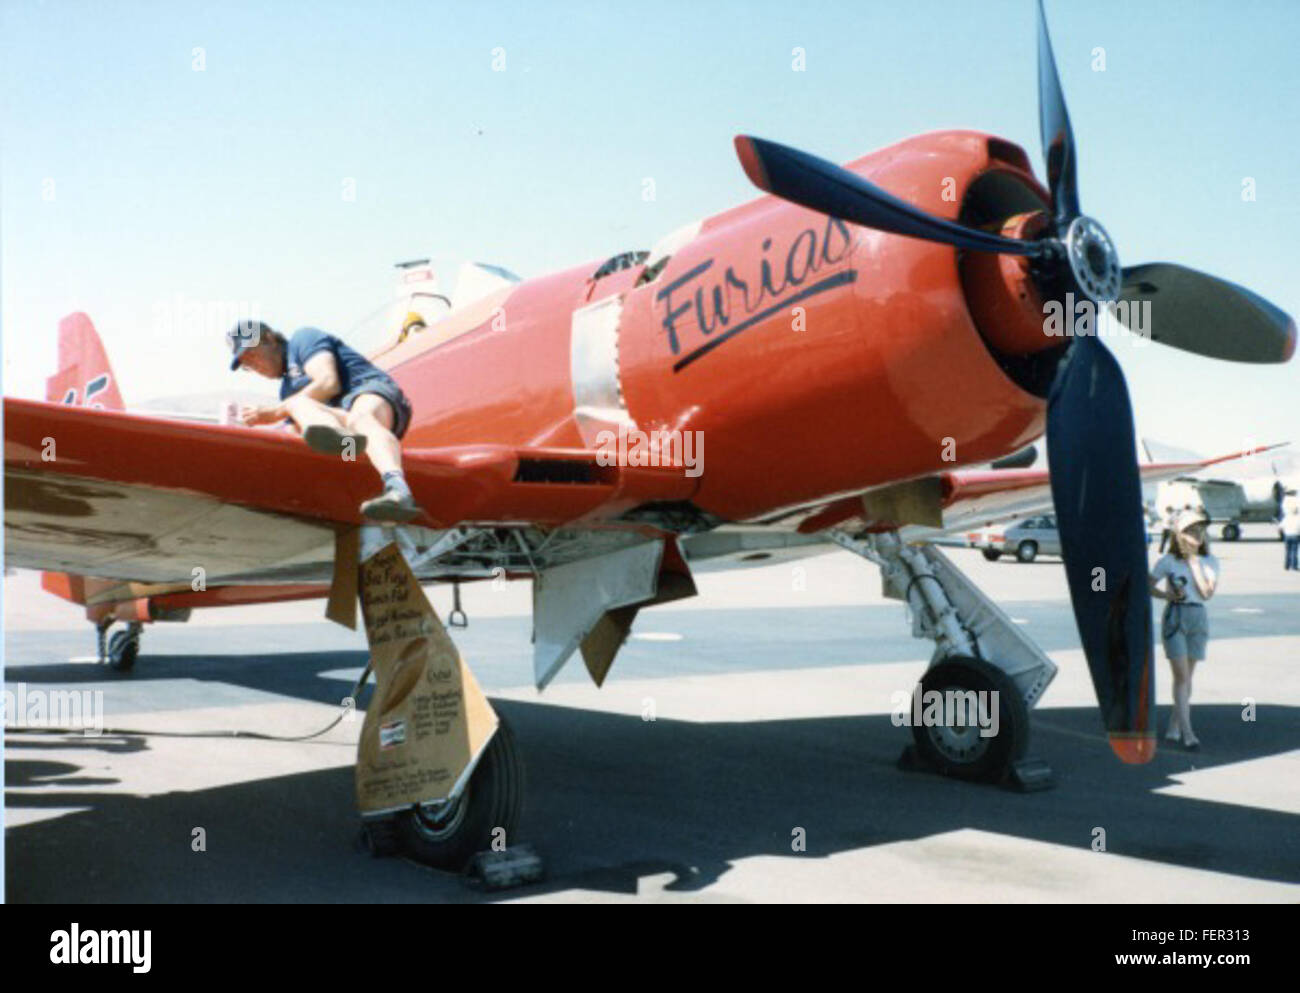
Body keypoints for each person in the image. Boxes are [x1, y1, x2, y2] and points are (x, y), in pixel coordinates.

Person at [227, 320, 418, 522]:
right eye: (246, 365)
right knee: (300, 407)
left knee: (356, 417)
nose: (253, 366)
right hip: (351, 445)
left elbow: (328, 383)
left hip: (375, 398)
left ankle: (398, 488)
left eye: (252, 355)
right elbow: (293, 437)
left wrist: (274, 412)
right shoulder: (287, 391)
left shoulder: (303, 339)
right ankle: (342, 443)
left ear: (270, 339)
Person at [1149, 510, 1218, 750]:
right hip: (1175, 616)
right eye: (1191, 529)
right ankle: (1188, 733)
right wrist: (1167, 594)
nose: (1198, 533)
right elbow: (1148, 585)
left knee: (1188, 677)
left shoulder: (1210, 561)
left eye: (1200, 529)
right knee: (1180, 676)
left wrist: (1194, 563)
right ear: (1180, 535)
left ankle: (1174, 724)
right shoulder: (1168, 561)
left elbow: (1207, 593)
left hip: (1198, 617)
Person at [1282, 497, 1300, 571]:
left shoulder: (1287, 517)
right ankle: (1294, 566)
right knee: (1294, 551)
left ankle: (1286, 565)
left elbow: (1281, 526)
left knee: (1287, 551)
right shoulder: (1298, 518)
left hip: (1287, 535)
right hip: (1295, 535)